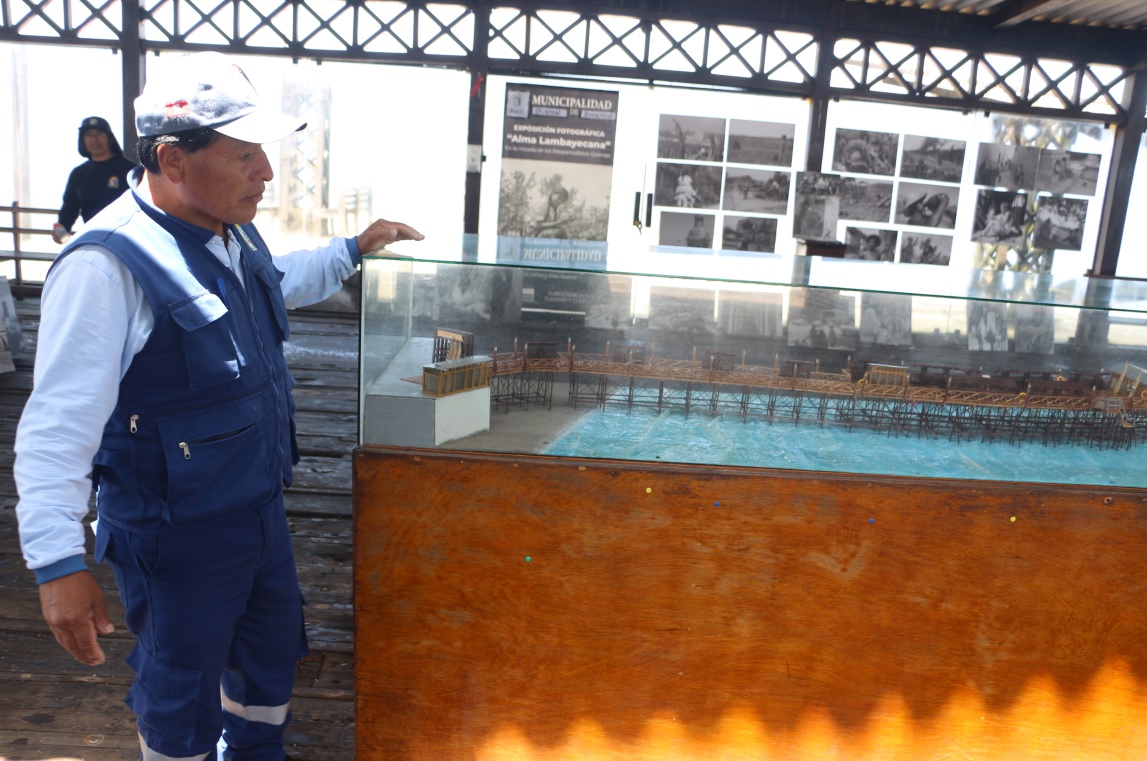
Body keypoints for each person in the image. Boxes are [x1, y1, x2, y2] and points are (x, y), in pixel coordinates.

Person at [14, 51, 423, 761]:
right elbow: (56, 428)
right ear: (172, 160)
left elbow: (273, 282)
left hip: (258, 508)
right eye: (245, 154)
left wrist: (352, 249)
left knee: (267, 657)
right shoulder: (105, 266)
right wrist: (57, 563)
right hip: (174, 537)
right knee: (180, 687)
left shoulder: (228, 230)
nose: (266, 170)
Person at [52, 116, 138, 243]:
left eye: (99, 134)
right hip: (94, 242)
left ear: (110, 139)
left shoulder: (131, 170)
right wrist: (61, 235)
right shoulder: (78, 174)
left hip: (129, 241)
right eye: (88, 135)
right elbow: (68, 211)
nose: (94, 139)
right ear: (82, 141)